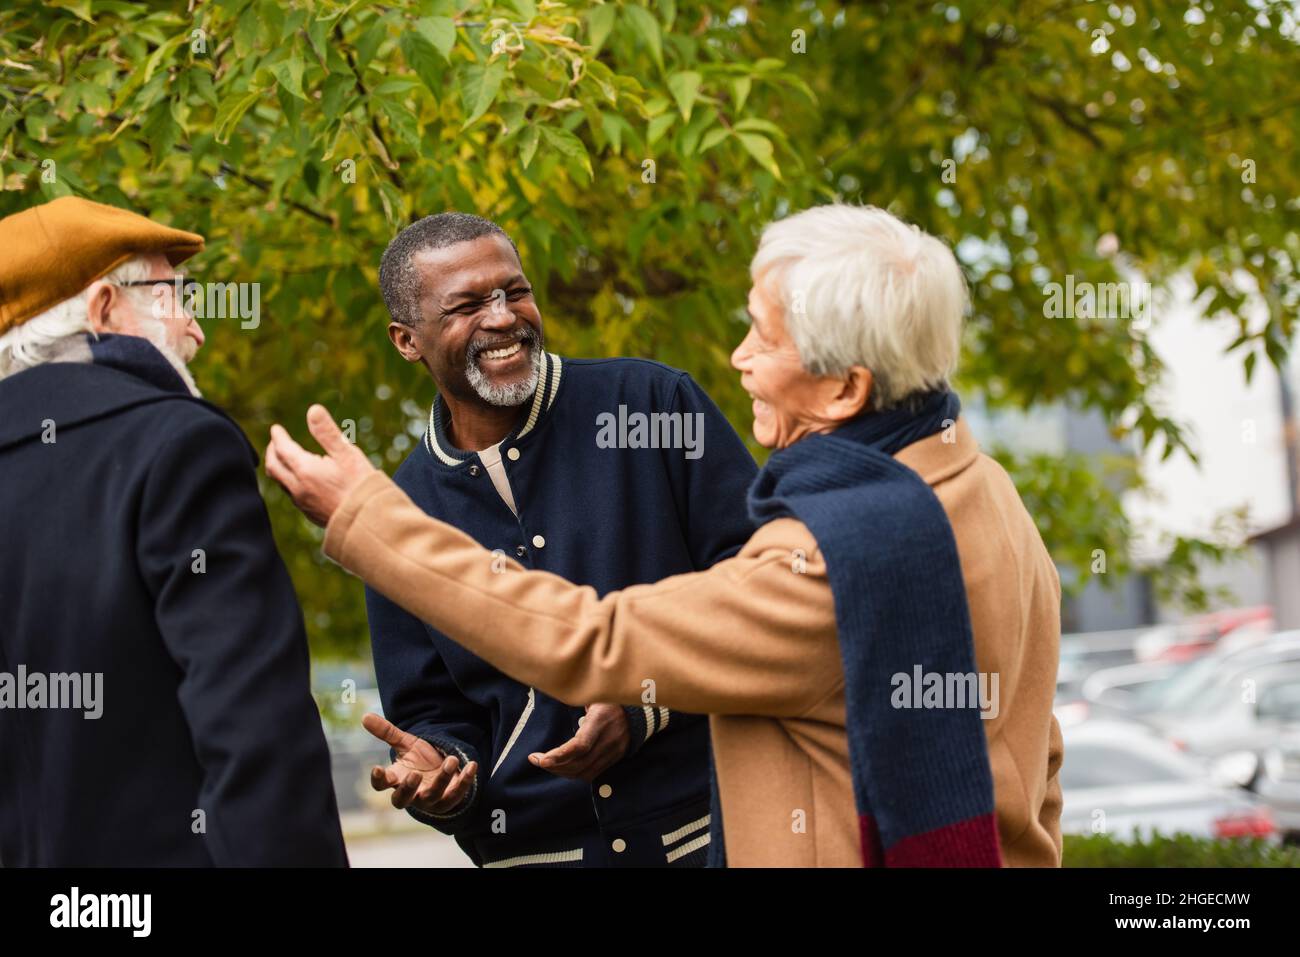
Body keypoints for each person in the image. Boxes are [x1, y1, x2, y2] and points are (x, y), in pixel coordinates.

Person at [267, 203, 1064, 868]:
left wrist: (366, 519)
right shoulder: (974, 481)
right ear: (407, 338)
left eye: (762, 335)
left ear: (846, 385)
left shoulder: (834, 550)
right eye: (468, 304)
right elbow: (1040, 744)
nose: (737, 357)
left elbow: (597, 641)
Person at [347, 212, 757, 867]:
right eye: (467, 304)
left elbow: (761, 592)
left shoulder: (654, 405)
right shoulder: (399, 512)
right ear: (406, 340)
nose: (505, 316)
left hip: (709, 838)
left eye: (515, 290)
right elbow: (433, 711)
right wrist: (441, 777)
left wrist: (643, 707)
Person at [0, 196, 346, 866]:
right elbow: (257, 737)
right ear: (103, 309)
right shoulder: (180, 445)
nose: (197, 329)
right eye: (175, 295)